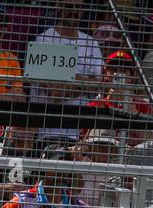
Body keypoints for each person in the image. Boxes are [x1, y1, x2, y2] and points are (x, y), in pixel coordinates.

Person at [30, 0, 105, 147]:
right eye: (70, 6)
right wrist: (86, 82)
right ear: (59, 6)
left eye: (78, 7)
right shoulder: (44, 40)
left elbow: (99, 87)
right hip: (47, 133)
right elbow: (55, 92)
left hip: (81, 136)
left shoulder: (91, 43)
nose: (74, 11)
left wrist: (67, 78)